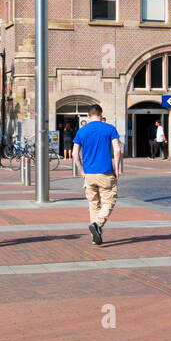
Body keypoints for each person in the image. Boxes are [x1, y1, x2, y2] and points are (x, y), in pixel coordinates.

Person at [72, 103, 122, 245]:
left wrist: (81, 170)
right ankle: (97, 225)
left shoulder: (82, 131)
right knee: (109, 201)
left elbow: (75, 153)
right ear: (101, 114)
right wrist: (116, 169)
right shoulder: (110, 128)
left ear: (88, 116)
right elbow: (117, 150)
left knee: (93, 205)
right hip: (105, 172)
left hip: (88, 174)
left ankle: (95, 237)